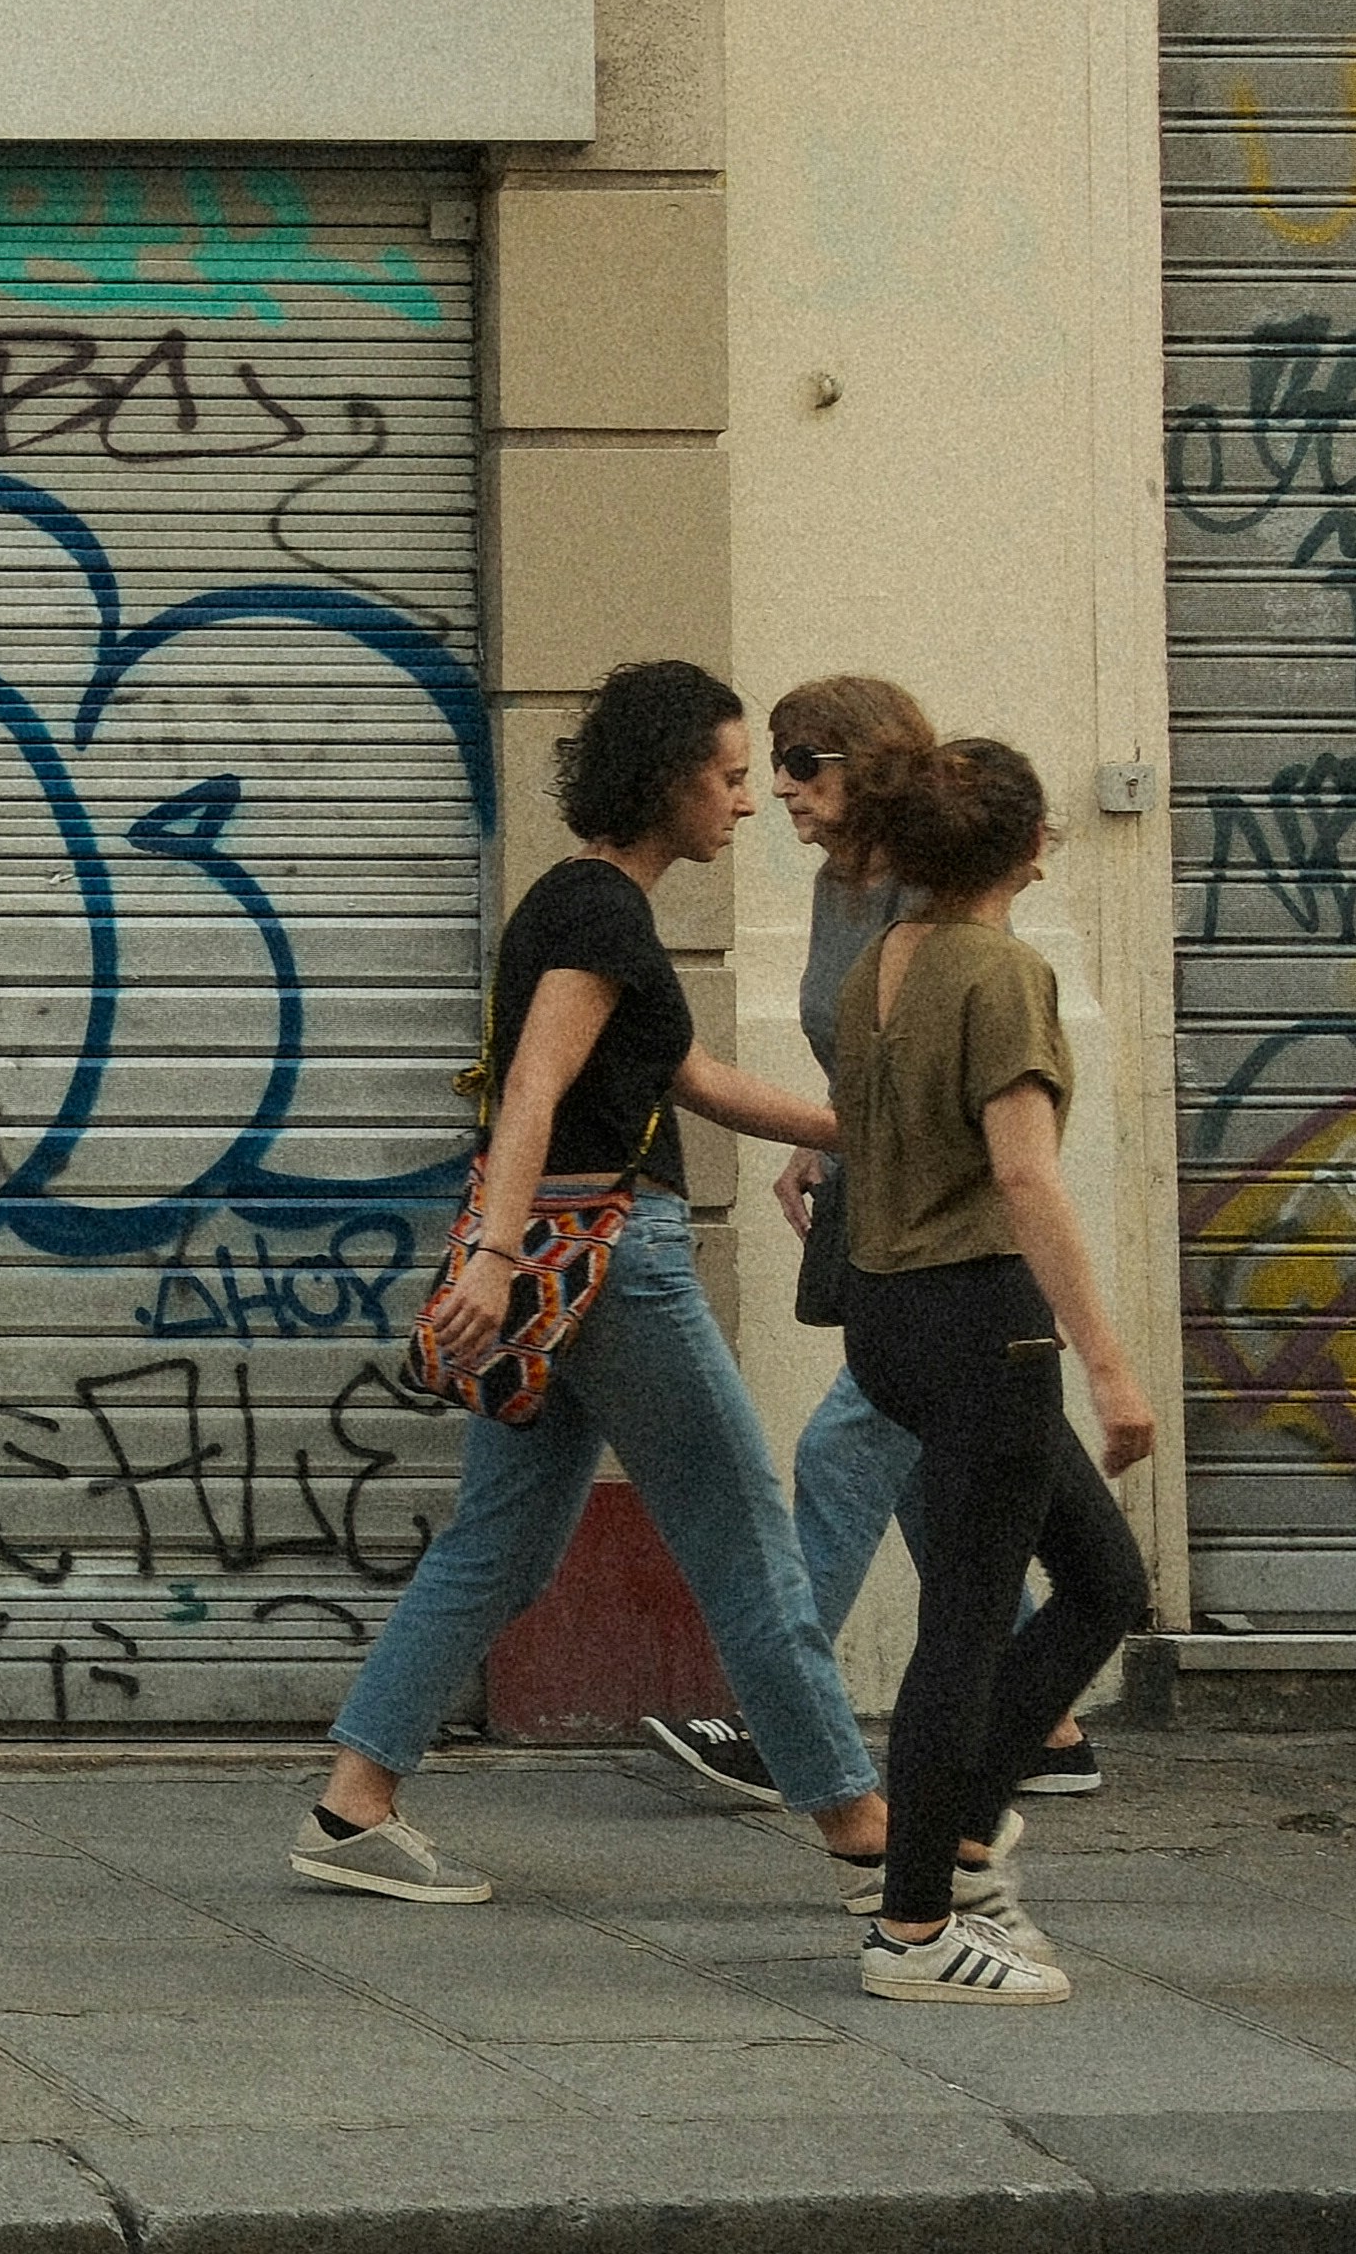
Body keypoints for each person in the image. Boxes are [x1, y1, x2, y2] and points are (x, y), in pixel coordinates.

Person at [296, 660, 893, 1902]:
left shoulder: (594, 909)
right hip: (610, 1265)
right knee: (745, 1536)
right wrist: (495, 1255)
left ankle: (355, 1805)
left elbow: (697, 1078)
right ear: (672, 777)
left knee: (501, 1545)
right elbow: (535, 1087)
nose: (744, 803)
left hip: (563, 1271)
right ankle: (861, 1824)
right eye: (730, 778)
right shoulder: (596, 912)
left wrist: (865, 1130)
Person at [658, 673, 1098, 1813]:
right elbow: (860, 1046)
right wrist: (828, 1139)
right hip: (881, 1210)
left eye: (802, 762)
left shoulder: (936, 890)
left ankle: (780, 1721)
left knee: (850, 1453)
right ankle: (1043, 1722)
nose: (781, 790)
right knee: (924, 1475)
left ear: (868, 765)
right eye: (772, 765)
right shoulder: (832, 891)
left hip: (948, 1237)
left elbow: (957, 1067)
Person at [831, 736, 1164, 2006]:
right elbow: (1024, 1171)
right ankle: (915, 1926)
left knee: (1101, 1582)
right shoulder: (1003, 972)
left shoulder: (883, 961)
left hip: (893, 1313)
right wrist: (1113, 1365)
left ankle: (958, 1836)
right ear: (1028, 850)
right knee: (966, 1628)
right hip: (982, 1319)